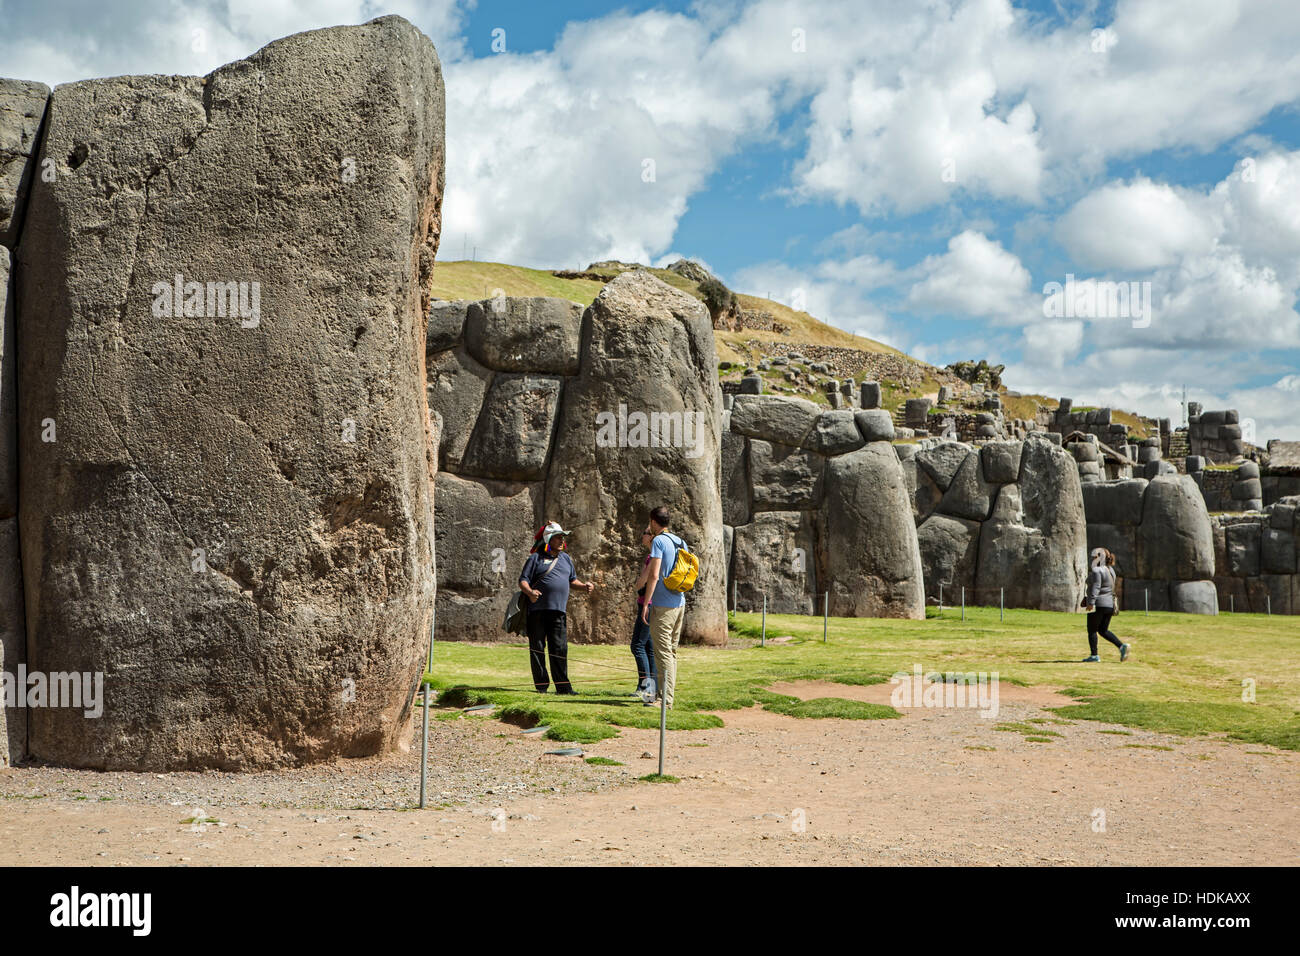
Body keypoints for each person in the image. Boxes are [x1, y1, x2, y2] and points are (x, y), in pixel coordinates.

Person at [519, 521, 596, 694]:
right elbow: (523, 580)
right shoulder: (535, 558)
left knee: (559, 648)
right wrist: (530, 592)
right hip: (537, 611)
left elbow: (572, 580)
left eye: (562, 537)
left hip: (558, 611)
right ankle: (541, 687)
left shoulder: (566, 559)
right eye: (558, 537)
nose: (562, 540)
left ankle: (563, 687)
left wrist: (583, 586)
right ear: (548, 539)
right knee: (537, 648)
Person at [642, 505, 686, 708]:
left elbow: (654, 574)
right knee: (671, 651)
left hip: (663, 605)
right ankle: (666, 696)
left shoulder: (658, 541)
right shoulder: (680, 541)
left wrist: (646, 603)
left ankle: (665, 700)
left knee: (663, 653)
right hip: (679, 603)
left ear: (653, 521)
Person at [1083, 547, 1130, 663]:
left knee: (1092, 630)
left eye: (1094, 557)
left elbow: (1096, 587)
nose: (1092, 559)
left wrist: (1091, 602)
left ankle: (1094, 656)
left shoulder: (1097, 570)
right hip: (1109, 604)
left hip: (1099, 603)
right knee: (1103, 630)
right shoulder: (1110, 570)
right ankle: (1121, 646)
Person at [630, 530, 658, 703]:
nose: (643, 535)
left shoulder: (653, 557)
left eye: (646, 532)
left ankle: (645, 688)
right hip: (652, 604)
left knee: (637, 646)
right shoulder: (654, 556)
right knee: (648, 648)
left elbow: (643, 581)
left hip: (647, 604)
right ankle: (651, 689)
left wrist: (637, 586)